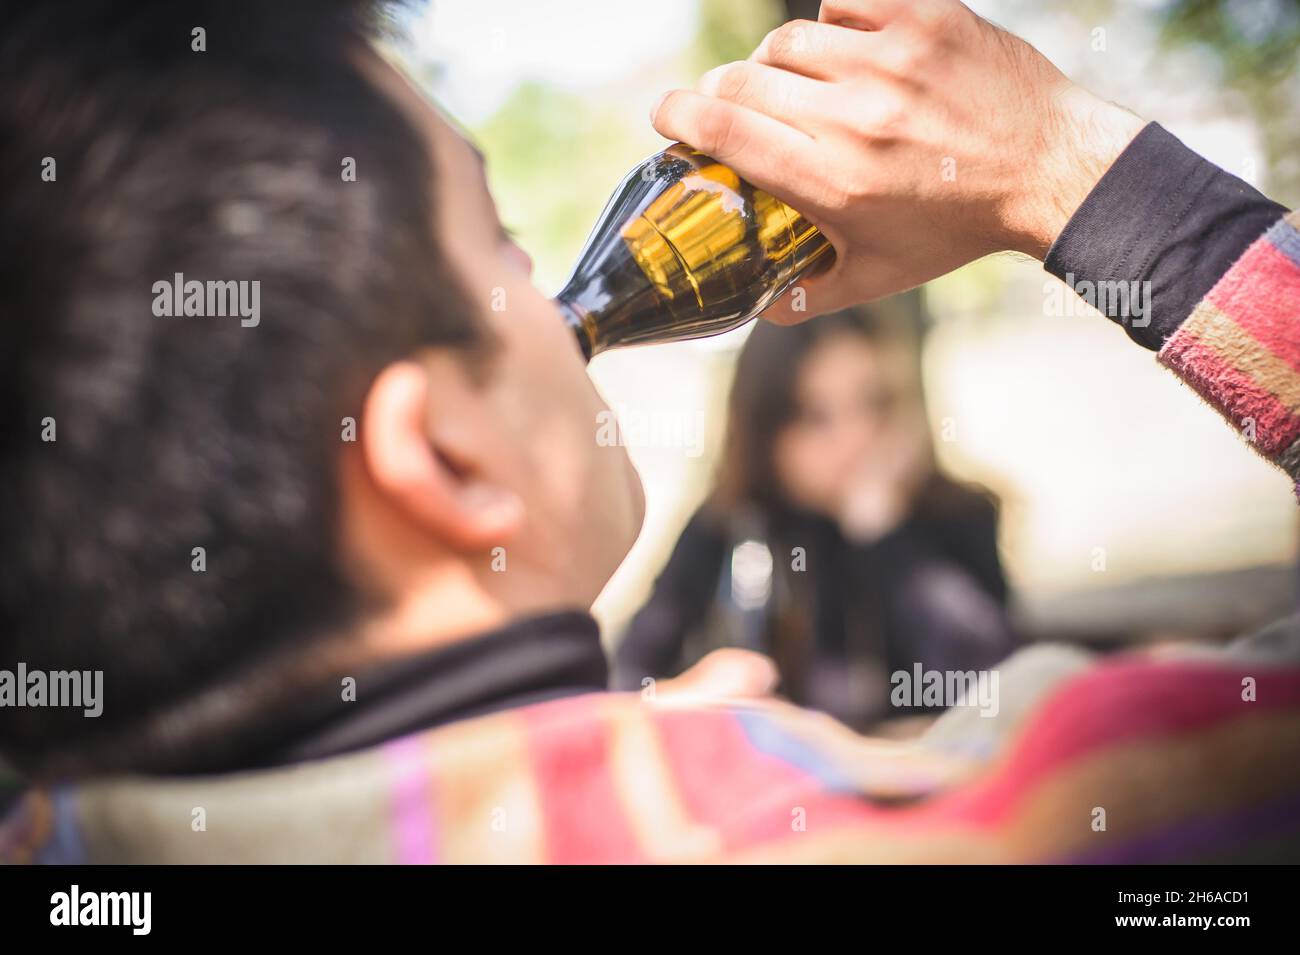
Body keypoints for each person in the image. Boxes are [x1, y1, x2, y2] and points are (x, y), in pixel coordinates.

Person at [2, 0, 1298, 863]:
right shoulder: (1013, 826)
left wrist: (577, 734)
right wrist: (1073, 171)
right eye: (506, 246)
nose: (570, 280)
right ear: (446, 453)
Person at [615, 306, 1016, 731]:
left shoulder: (955, 517)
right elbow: (632, 675)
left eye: (873, 403)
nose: (855, 437)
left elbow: (997, 686)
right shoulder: (728, 526)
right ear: (766, 431)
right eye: (816, 417)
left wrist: (886, 539)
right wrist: (695, 694)